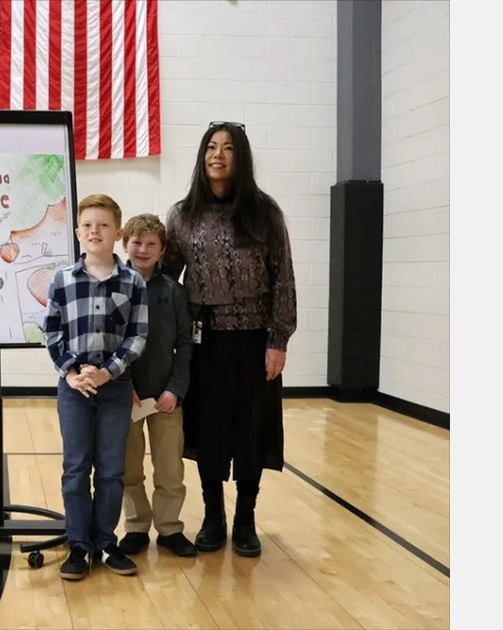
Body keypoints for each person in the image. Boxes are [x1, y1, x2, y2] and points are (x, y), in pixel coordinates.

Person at [163, 121, 297, 557]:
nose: (217, 154)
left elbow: (283, 279)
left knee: (250, 431)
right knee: (209, 430)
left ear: (241, 158)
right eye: (211, 147)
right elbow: (166, 280)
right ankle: (213, 516)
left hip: (256, 340)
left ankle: (246, 519)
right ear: (202, 157)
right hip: (205, 341)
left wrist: (278, 339)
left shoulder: (264, 212)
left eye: (228, 148)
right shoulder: (183, 215)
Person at [44, 193, 149, 581]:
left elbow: (138, 335)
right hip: (74, 389)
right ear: (77, 232)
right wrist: (71, 373)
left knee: (109, 470)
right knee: (75, 469)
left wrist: (109, 372)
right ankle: (78, 545)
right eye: (87, 225)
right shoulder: (62, 279)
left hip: (115, 388)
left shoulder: (133, 281)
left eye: (103, 225)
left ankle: (105, 542)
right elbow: (52, 332)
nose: (94, 231)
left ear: (117, 232)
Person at [117, 213, 197, 558]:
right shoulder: (114, 286)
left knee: (169, 468)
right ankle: (135, 527)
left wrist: (175, 389)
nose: (144, 249)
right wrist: (123, 385)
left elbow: (186, 342)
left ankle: (169, 529)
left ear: (163, 250)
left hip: (166, 397)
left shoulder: (174, 292)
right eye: (137, 242)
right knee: (128, 467)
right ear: (125, 245)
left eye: (152, 244)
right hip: (126, 395)